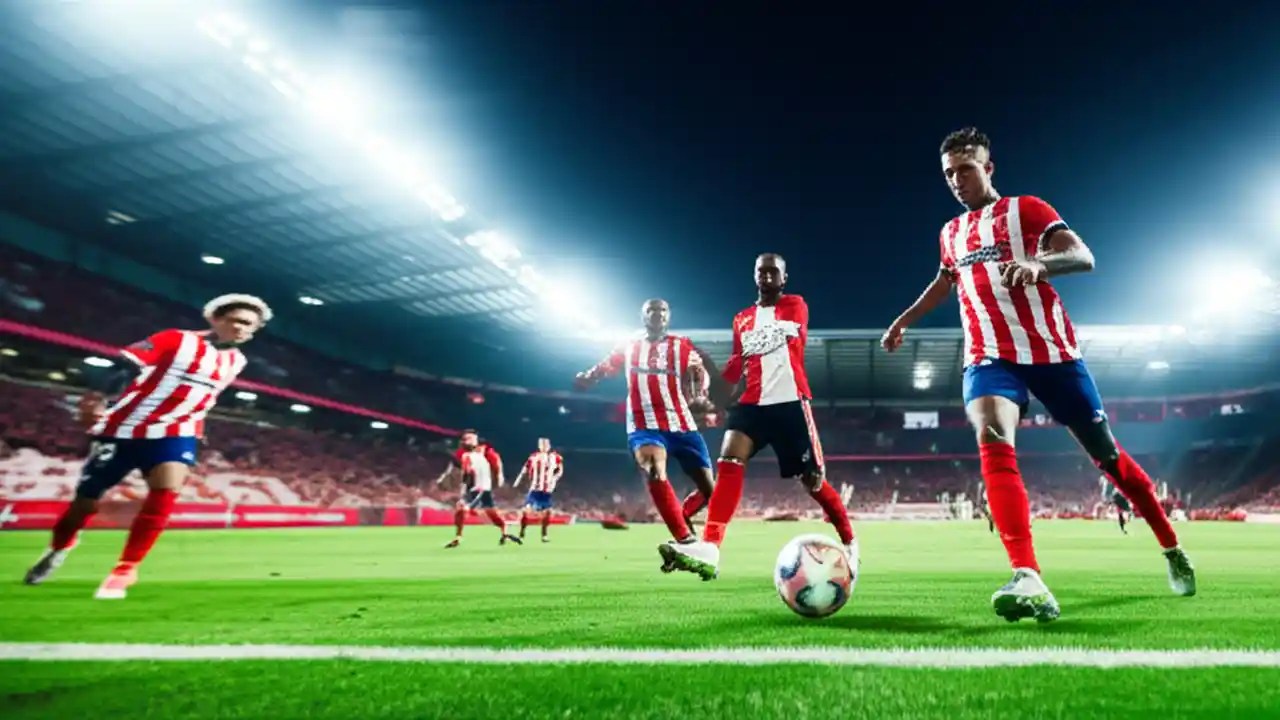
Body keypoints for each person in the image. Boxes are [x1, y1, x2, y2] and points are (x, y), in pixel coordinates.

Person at [880, 127, 1195, 622]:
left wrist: (1038, 265)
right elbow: (945, 280)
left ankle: (1171, 546)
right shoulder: (950, 234)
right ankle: (1028, 575)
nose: (957, 181)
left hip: (1052, 354)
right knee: (991, 435)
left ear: (989, 168)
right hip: (989, 356)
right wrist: (904, 319)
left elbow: (1082, 255)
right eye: (948, 174)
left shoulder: (1025, 210)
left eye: (965, 169)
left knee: (1108, 457)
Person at [23, 293, 271, 599]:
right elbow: (124, 365)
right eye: (234, 320)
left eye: (248, 325)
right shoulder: (174, 340)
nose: (240, 328)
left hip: (177, 431)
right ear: (216, 319)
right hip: (123, 428)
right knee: (84, 504)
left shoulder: (237, 361)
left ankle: (126, 568)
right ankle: (59, 548)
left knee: (166, 491)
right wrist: (97, 396)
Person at [659, 254, 857, 580]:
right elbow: (738, 365)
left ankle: (850, 542)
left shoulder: (796, 305)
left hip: (789, 403)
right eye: (760, 272)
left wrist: (716, 355)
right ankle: (710, 548)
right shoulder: (741, 318)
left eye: (772, 272)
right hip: (751, 404)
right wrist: (712, 397)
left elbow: (779, 337)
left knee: (812, 482)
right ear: (754, 276)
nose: (766, 277)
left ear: (784, 277)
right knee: (728, 463)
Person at [575, 299, 716, 570]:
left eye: (663, 310)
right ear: (643, 316)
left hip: (682, 423)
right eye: (652, 310)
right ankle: (685, 542)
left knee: (712, 492)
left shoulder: (681, 345)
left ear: (668, 316)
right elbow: (606, 366)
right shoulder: (629, 345)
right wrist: (589, 377)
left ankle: (681, 517)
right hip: (644, 423)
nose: (658, 314)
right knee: (654, 469)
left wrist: (700, 394)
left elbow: (698, 370)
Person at [436, 430, 521, 548]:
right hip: (481, 488)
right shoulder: (466, 454)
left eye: (471, 438)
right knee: (491, 513)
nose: (469, 441)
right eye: (467, 439)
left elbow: (491, 463)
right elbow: (461, 468)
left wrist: (499, 475)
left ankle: (458, 538)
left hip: (479, 488)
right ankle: (505, 532)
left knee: (462, 507)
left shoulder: (481, 451)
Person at [513, 437, 564, 542]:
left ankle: (544, 535)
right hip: (535, 490)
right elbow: (524, 469)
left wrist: (555, 479)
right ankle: (522, 533)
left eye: (546, 445)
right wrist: (517, 481)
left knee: (547, 513)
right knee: (526, 511)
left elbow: (560, 470)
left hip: (546, 491)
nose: (544, 447)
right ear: (539, 446)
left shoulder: (555, 457)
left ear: (549, 446)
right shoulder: (533, 457)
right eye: (542, 445)